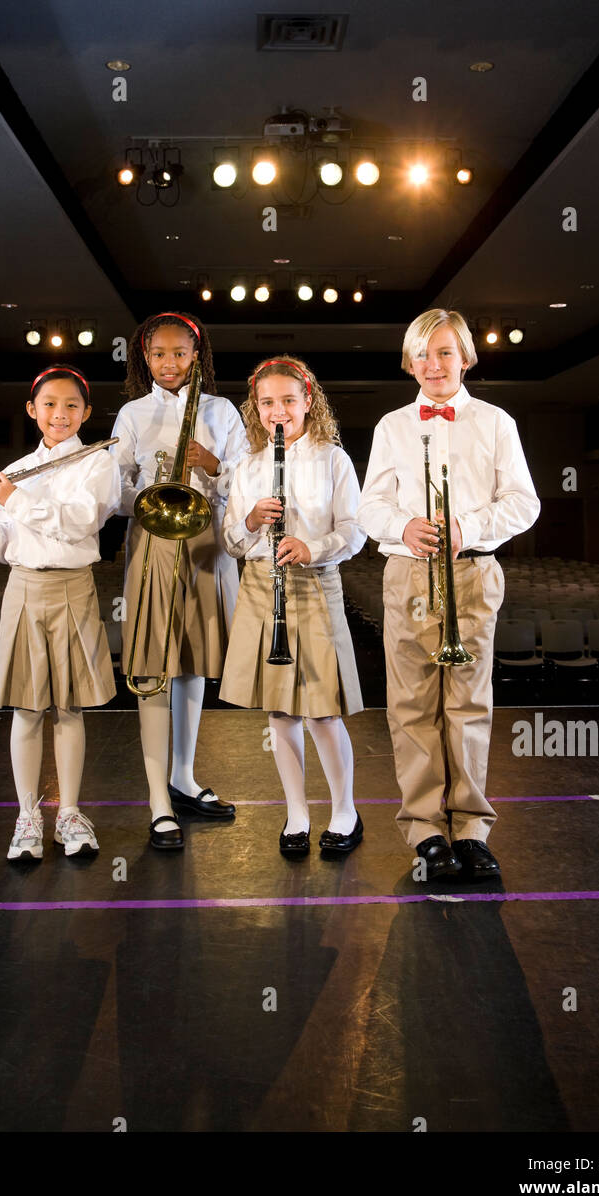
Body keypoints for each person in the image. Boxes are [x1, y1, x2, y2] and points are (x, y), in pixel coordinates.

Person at [358, 309, 540, 880]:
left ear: (466, 357)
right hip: (409, 573)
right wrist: (402, 526)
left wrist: (471, 528)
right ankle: (425, 832)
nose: (433, 365)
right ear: (409, 362)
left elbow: (523, 502)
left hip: (473, 571)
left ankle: (470, 830)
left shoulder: (495, 422)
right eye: (422, 354)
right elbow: (369, 506)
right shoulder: (391, 426)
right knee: (411, 706)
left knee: (468, 705)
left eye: (444, 353)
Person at [0, 366, 121, 861]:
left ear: (86, 413)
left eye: (72, 405)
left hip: (74, 587)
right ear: (33, 410)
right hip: (24, 588)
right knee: (27, 708)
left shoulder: (98, 463)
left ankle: (71, 815)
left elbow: (81, 524)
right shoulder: (11, 472)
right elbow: (1, 547)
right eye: (51, 404)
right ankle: (27, 819)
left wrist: (15, 498)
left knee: (71, 707)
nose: (61, 414)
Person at [110, 312, 249, 850]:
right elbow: (117, 487)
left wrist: (211, 464)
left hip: (206, 543)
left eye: (180, 353)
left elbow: (243, 479)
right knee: (152, 664)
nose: (170, 363)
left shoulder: (221, 410)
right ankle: (158, 801)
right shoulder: (131, 412)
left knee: (193, 661)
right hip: (152, 540)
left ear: (197, 356)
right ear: (145, 358)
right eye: (159, 354)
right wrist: (148, 489)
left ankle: (183, 779)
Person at [220, 357, 366, 857]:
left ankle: (345, 810)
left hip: (315, 583)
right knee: (280, 713)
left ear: (308, 401)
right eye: (267, 403)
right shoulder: (249, 465)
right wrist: (251, 522)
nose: (277, 411)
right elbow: (232, 543)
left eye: (288, 400)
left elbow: (355, 530)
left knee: (323, 712)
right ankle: (297, 813)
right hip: (263, 587)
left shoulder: (333, 458)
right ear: (255, 408)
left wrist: (312, 547)